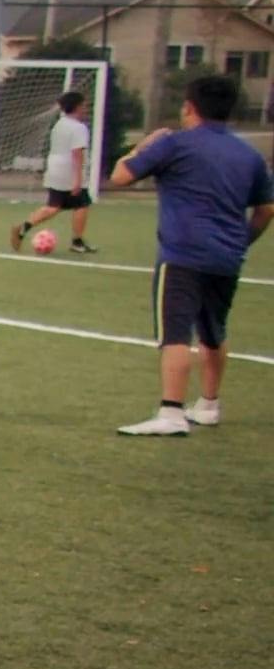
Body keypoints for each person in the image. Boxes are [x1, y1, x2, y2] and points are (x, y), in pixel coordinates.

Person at [103, 73, 270, 437]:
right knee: (214, 330)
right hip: (227, 258)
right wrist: (242, 240)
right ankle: (208, 404)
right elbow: (266, 208)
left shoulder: (174, 144)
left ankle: (171, 412)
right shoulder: (249, 154)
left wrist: (143, 145)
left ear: (189, 107)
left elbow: (119, 176)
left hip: (182, 255)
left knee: (176, 333)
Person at [12, 89, 100, 255]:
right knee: (82, 204)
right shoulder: (79, 128)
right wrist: (78, 179)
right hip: (68, 170)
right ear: (77, 107)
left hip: (54, 168)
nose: (86, 109)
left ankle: (23, 228)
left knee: (54, 206)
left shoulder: (59, 124)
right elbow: (77, 153)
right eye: (84, 106)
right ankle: (77, 242)